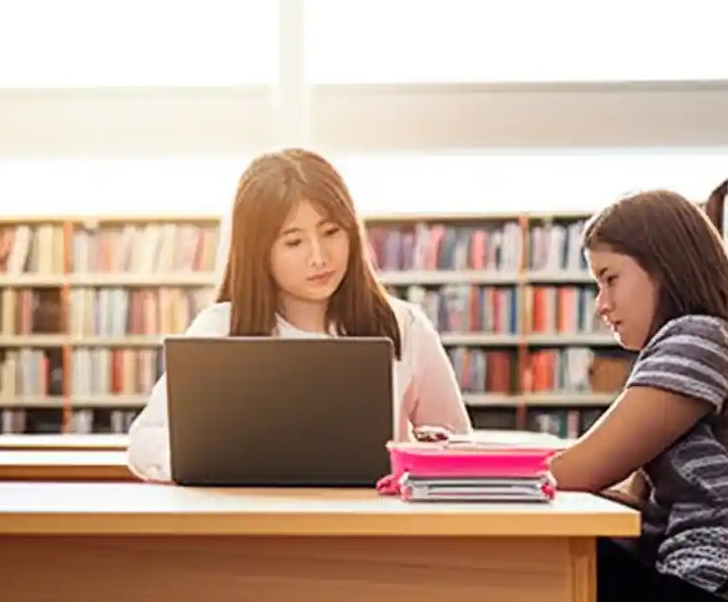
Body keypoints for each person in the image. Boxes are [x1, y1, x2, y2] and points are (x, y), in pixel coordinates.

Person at [126, 148, 473, 482]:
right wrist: (222, 458)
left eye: (331, 232)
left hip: (371, 528)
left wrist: (415, 462)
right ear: (258, 253)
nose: (319, 257)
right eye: (294, 242)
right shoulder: (219, 329)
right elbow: (144, 443)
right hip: (248, 526)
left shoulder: (404, 327)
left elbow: (458, 445)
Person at [547, 189, 728, 602]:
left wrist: (468, 473)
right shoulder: (712, 339)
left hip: (712, 578)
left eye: (610, 279)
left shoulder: (699, 339)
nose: (601, 305)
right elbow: (626, 497)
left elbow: (581, 471)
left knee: (536, 559)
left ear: (664, 269)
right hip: (706, 573)